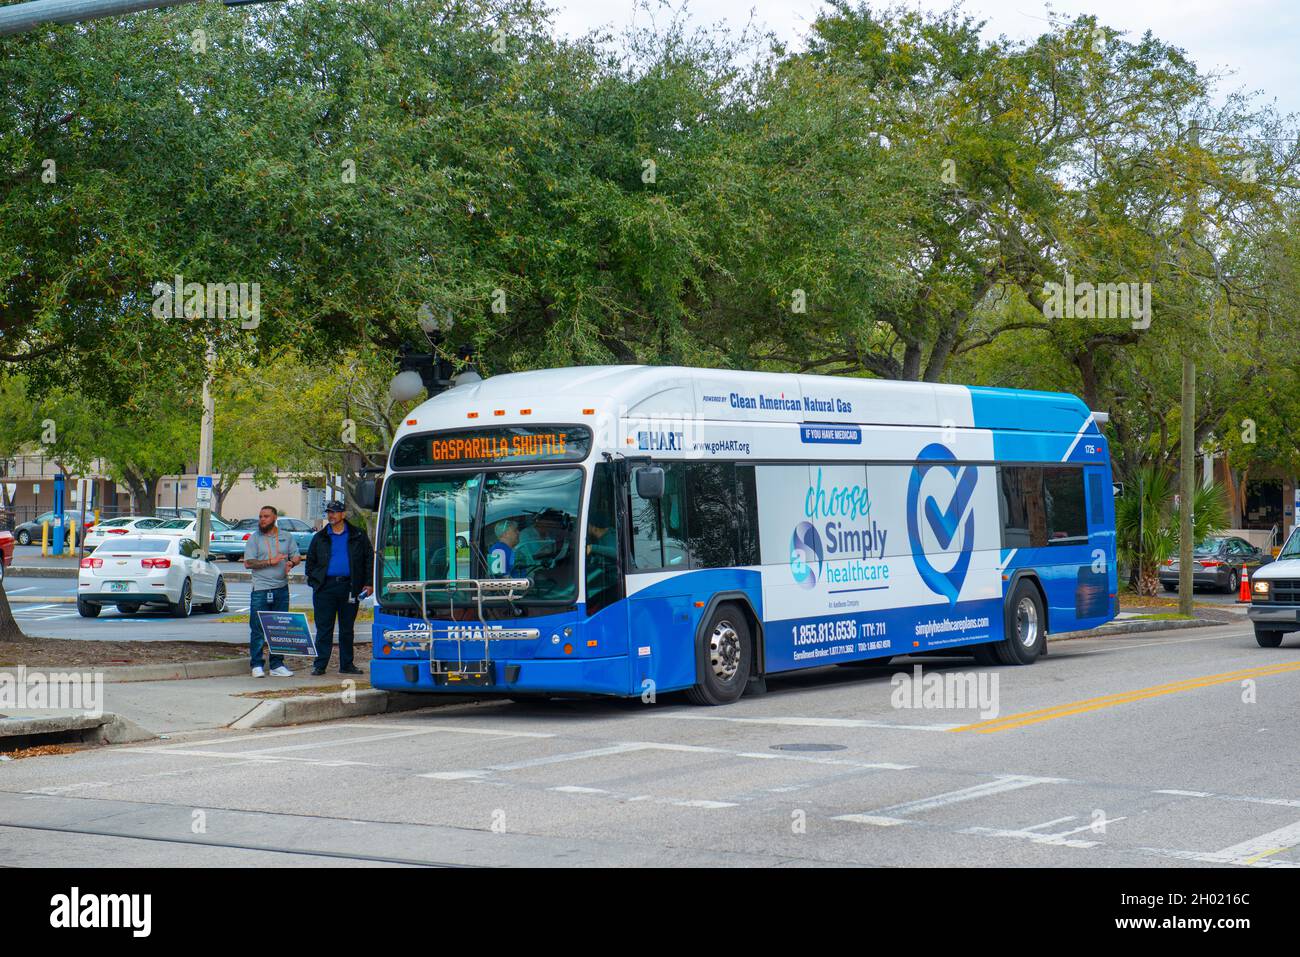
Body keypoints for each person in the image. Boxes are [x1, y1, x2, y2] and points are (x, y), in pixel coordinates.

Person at [305, 500, 374, 676]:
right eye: (329, 512)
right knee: (324, 628)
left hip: (349, 587)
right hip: (325, 588)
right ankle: (320, 665)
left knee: (347, 629)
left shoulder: (357, 535)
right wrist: (315, 582)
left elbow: (368, 559)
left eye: (335, 512)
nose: (331, 515)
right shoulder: (320, 537)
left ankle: (347, 665)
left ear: (343, 514)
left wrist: (368, 583)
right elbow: (310, 561)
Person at [244, 505, 302, 678]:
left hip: (281, 589)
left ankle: (277, 665)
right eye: (260, 516)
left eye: (266, 516)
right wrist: (270, 561)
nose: (262, 519)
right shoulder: (255, 538)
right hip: (261, 589)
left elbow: (296, 555)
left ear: (275, 518)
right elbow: (248, 563)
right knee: (258, 628)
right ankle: (256, 665)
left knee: (279, 628)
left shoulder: (286, 536)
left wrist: (291, 563)